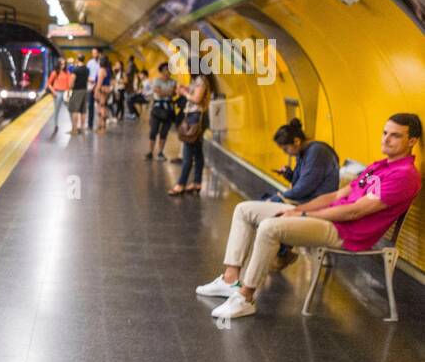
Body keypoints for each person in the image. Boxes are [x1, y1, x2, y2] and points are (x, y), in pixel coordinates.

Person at [196, 113, 421, 320]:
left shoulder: (404, 175)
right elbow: (336, 195)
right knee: (244, 209)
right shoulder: (377, 167)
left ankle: (246, 297)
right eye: (385, 133)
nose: (386, 139)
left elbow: (356, 211)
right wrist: (298, 210)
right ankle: (230, 280)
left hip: (347, 232)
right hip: (329, 218)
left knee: (270, 227)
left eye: (395, 135)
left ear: (412, 141)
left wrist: (304, 213)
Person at [264, 119, 341, 271]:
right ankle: (281, 254)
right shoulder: (304, 152)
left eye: (286, 149)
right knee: (270, 203)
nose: (286, 153)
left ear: (297, 141)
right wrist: (288, 174)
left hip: (319, 202)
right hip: (310, 198)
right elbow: (300, 182)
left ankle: (281, 255)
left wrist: (278, 197)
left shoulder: (317, 152)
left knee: (276, 209)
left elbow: (304, 187)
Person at [168, 72, 209, 195]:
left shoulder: (201, 80)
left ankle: (181, 184)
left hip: (195, 118)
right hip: (193, 116)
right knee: (197, 152)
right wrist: (186, 89)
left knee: (188, 152)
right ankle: (197, 182)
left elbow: (197, 99)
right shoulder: (196, 80)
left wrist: (185, 93)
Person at [144, 63, 176, 160]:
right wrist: (168, 92)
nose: (168, 72)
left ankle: (160, 152)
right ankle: (150, 152)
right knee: (153, 130)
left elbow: (173, 92)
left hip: (168, 109)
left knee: (164, 132)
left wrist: (164, 92)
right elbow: (159, 92)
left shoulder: (173, 82)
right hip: (157, 108)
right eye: (166, 69)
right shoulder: (156, 80)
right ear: (161, 71)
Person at [46, 59, 72, 135]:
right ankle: (56, 125)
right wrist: (53, 91)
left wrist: (68, 92)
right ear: (58, 64)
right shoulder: (55, 73)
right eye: (61, 64)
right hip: (57, 93)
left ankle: (73, 126)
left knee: (69, 109)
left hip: (65, 93)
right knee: (56, 110)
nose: (63, 66)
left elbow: (69, 84)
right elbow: (48, 84)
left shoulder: (67, 73)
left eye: (64, 64)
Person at [67, 57, 89, 134]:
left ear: (77, 60)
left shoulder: (75, 70)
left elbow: (71, 82)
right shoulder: (86, 69)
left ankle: (74, 129)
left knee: (74, 110)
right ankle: (82, 128)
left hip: (77, 91)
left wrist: (70, 88)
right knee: (83, 110)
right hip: (85, 90)